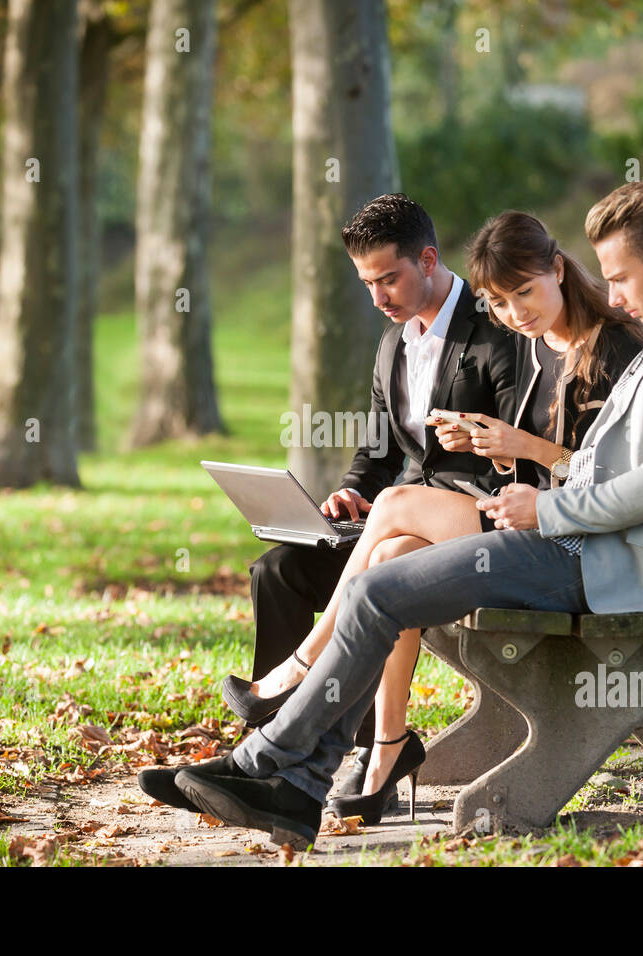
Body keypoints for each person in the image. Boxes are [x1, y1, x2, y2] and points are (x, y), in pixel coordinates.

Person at [166, 180, 643, 849]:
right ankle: (288, 776)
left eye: (621, 277)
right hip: (579, 542)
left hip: (606, 562)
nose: (615, 296)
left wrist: (549, 505)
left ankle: (278, 772)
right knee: (375, 583)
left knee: (379, 587)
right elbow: (614, 463)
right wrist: (551, 492)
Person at [209, 211, 643, 824]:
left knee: (393, 510)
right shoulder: (514, 340)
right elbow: (380, 451)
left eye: (522, 293)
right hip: (493, 519)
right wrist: (351, 493)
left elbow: (587, 473)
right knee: (351, 560)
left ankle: (299, 673)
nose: (514, 311)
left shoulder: (550, 343)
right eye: (501, 301)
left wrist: (507, 447)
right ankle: (385, 748)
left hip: (536, 530)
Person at [140, 194, 519, 812]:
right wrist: (351, 493)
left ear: (428, 260)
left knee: (388, 563)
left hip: (468, 527)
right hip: (395, 516)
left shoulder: (497, 329)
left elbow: (516, 455)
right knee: (280, 571)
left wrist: (418, 492)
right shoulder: (394, 346)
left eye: (388, 279)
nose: (378, 298)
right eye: (367, 283)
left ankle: (302, 732)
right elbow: (378, 454)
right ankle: (267, 750)